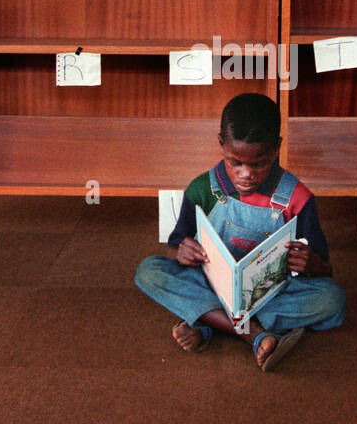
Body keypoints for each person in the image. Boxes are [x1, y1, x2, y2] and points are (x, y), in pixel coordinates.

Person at [135, 93, 345, 371]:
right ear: (221, 145)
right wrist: (182, 252)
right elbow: (174, 248)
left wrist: (314, 263)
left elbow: (325, 270)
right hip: (211, 283)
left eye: (259, 164)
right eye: (236, 162)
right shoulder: (202, 189)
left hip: (270, 294)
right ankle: (254, 334)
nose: (246, 174)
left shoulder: (297, 197)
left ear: (276, 149)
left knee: (332, 300)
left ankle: (210, 322)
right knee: (149, 271)